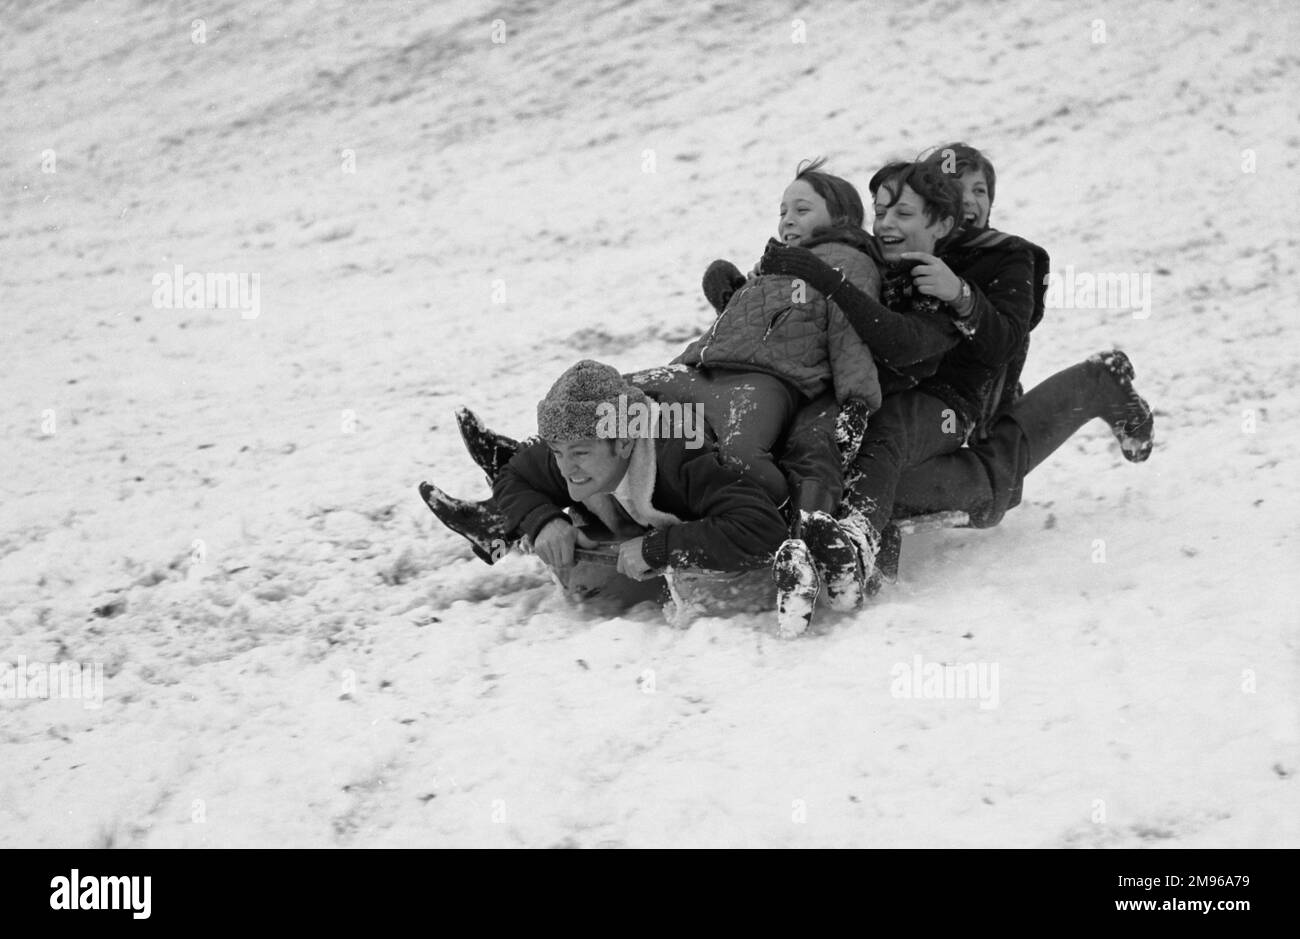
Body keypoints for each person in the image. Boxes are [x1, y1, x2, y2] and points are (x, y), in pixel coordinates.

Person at [492, 360, 788, 584]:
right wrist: (543, 521)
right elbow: (513, 476)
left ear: (623, 443)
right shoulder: (577, 442)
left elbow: (762, 529)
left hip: (756, 383)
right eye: (556, 452)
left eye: (579, 453)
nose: (566, 468)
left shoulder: (679, 458)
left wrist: (660, 548)